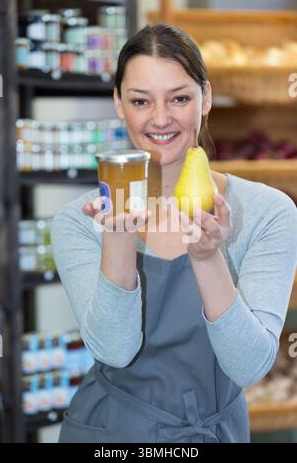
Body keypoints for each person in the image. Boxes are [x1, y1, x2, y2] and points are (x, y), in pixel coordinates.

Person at [51, 24, 297, 443]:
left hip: (214, 432)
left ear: (206, 99)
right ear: (118, 104)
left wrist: (206, 257)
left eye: (179, 98)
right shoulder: (78, 222)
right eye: (141, 101)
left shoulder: (268, 213)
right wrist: (118, 238)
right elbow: (114, 350)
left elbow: (249, 366)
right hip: (112, 432)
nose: (160, 119)